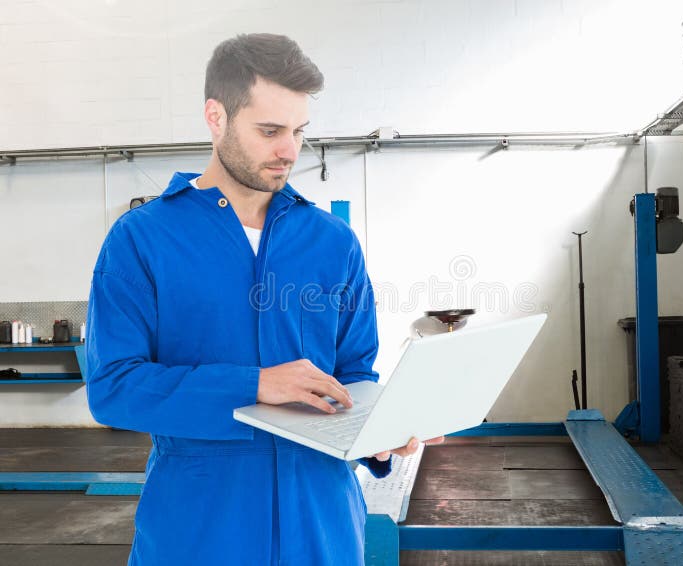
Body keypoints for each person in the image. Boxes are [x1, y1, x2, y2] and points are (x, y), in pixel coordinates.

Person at [86, 33, 438, 566]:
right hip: (200, 530)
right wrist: (254, 385)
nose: (289, 150)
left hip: (323, 529)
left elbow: (354, 372)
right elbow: (113, 388)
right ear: (216, 116)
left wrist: (377, 432)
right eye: (269, 130)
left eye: (299, 131)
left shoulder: (332, 240)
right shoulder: (142, 239)